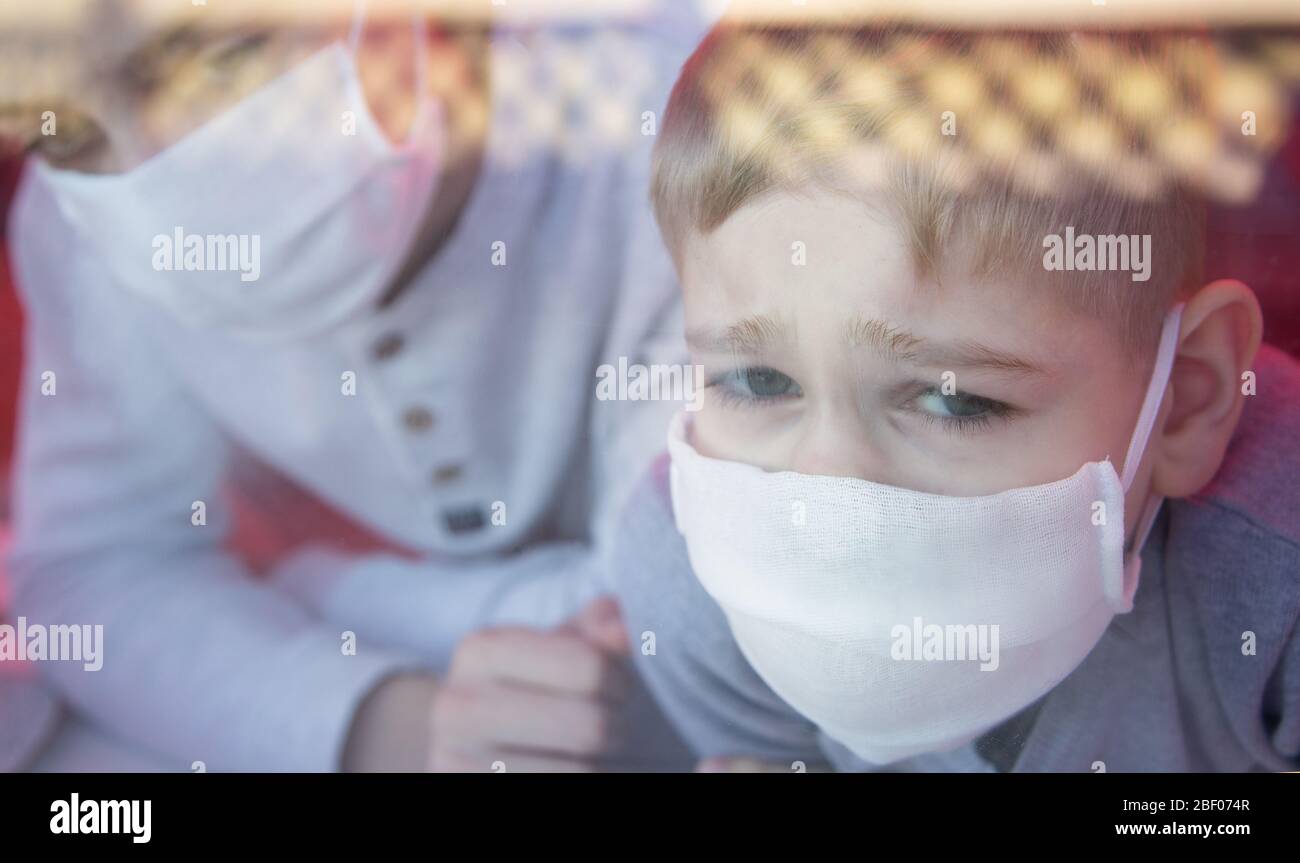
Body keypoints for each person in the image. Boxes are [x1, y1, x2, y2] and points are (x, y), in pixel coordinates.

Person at [4, 0, 704, 771]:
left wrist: (313, 590)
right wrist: (382, 721)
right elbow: (94, 570)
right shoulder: (81, 228)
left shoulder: (683, 121)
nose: (144, 170)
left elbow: (686, 606)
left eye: (218, 59)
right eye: (56, 124)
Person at [613, 21, 1300, 771]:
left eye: (952, 401)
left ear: (1187, 396)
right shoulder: (684, 580)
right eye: (759, 381)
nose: (827, 496)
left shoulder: (1276, 587)